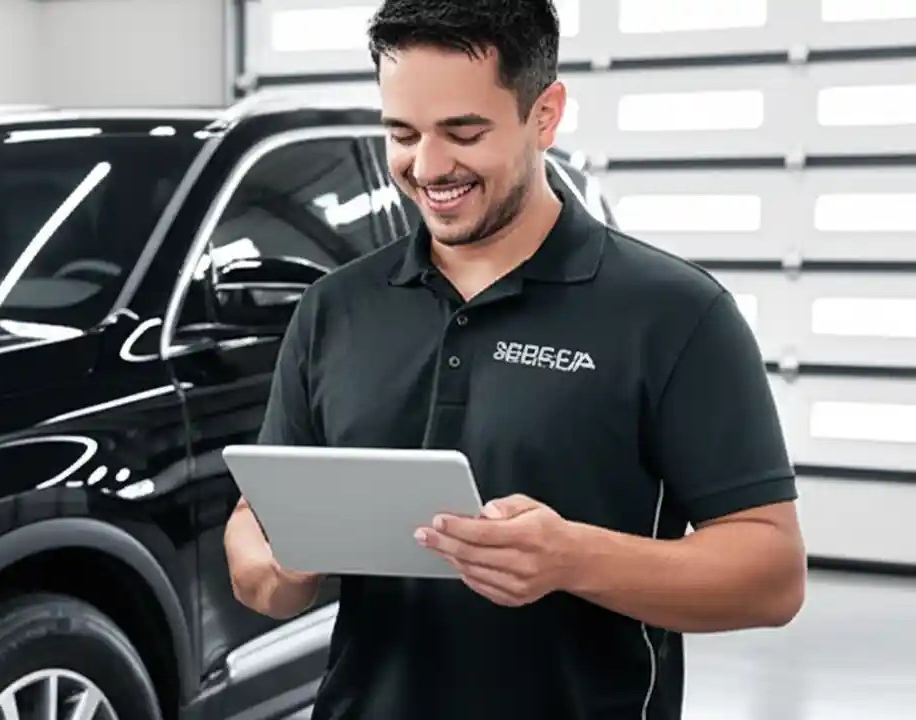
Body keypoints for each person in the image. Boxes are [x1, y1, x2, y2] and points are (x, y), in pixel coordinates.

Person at [223, 1, 808, 718]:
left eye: (463, 133)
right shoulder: (335, 309)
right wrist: (277, 571)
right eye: (402, 134)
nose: (429, 167)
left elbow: (771, 575)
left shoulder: (675, 314)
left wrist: (571, 559)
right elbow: (259, 518)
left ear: (546, 114)